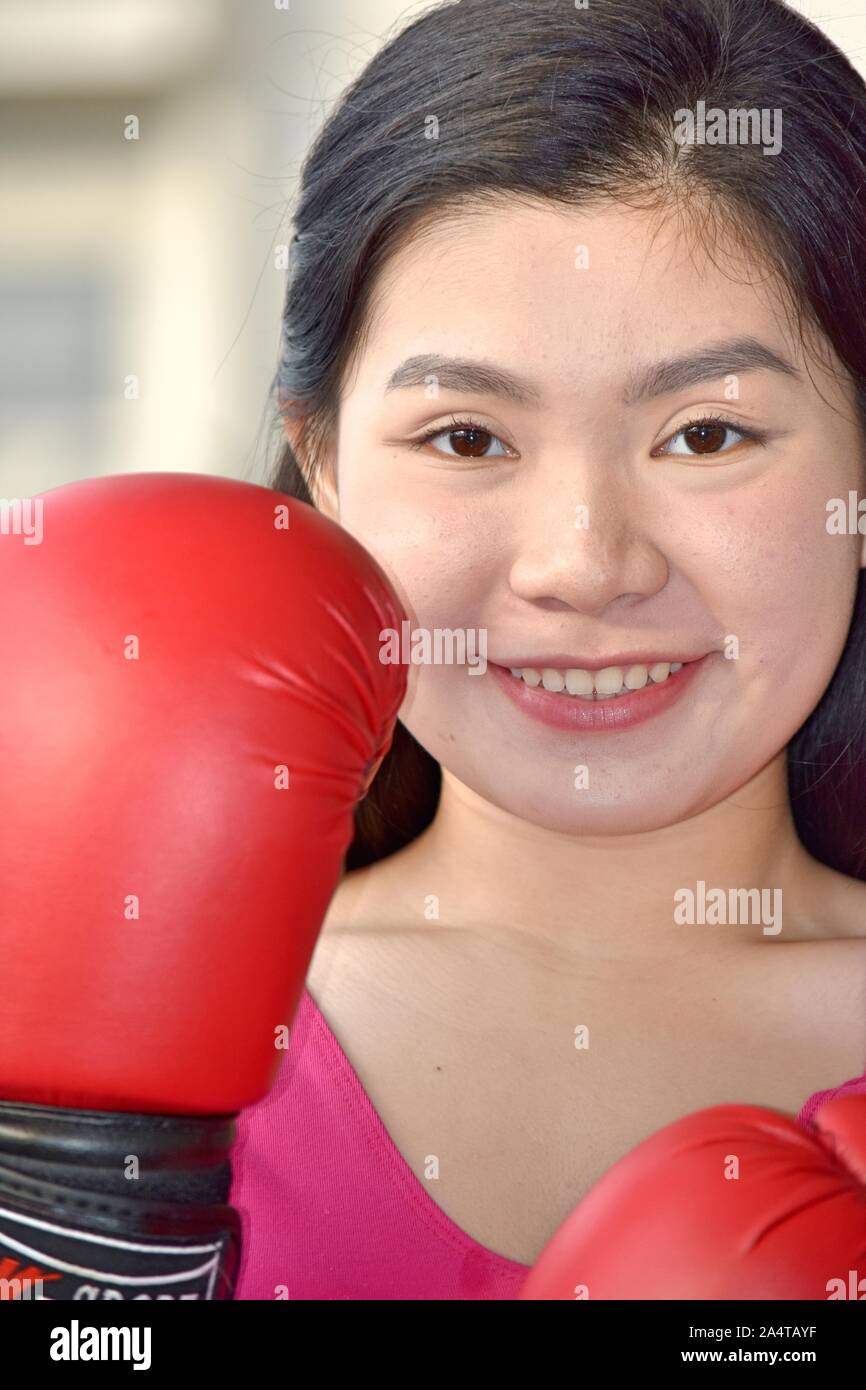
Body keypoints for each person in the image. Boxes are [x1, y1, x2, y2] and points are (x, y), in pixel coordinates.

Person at [229, 0, 866, 1299]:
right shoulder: (128, 1059)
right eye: (466, 438)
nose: (582, 563)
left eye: (704, 434)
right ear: (325, 469)